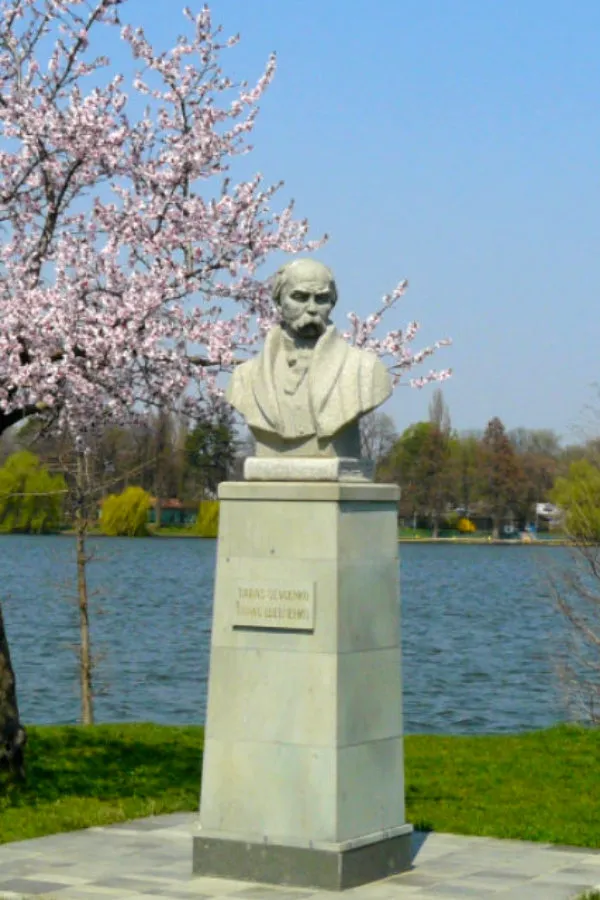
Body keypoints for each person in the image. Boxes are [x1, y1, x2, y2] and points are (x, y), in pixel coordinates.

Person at [226, 258, 391, 456]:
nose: (312, 308)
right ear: (279, 302)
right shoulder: (244, 377)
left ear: (332, 304)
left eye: (321, 299)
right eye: (300, 297)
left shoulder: (365, 370)